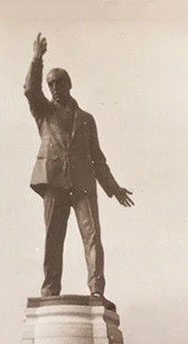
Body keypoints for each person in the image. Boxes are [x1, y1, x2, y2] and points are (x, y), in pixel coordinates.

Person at [25, 33, 133, 297]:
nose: (53, 88)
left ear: (69, 85)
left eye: (58, 83)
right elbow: (30, 90)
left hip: (83, 183)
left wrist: (114, 188)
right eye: (50, 84)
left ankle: (97, 290)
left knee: (92, 236)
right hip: (53, 180)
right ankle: (50, 290)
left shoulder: (86, 119)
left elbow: (97, 157)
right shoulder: (44, 112)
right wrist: (37, 58)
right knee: (53, 237)